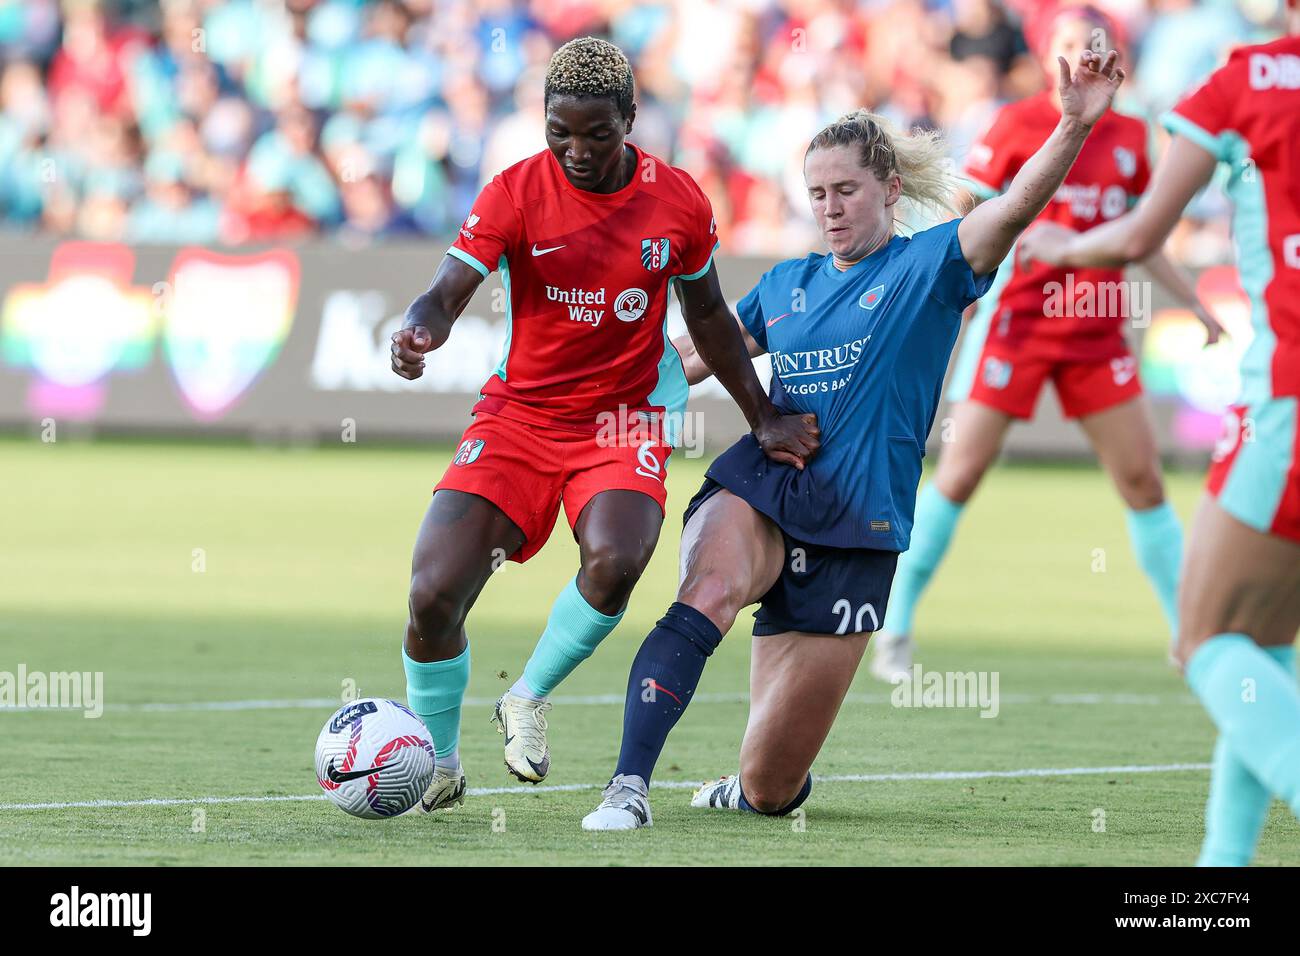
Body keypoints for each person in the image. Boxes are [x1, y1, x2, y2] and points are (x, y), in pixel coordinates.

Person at [581, 45, 1128, 830]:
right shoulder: (788, 284)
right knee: (708, 591)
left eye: (846, 191)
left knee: (770, 788)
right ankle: (627, 789)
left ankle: (750, 786)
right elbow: (694, 356)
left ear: (890, 190)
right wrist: (589, 393)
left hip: (858, 526)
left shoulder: (928, 267)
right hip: (767, 484)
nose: (830, 207)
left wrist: (1073, 127)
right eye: (817, 194)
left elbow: (1009, 211)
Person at [389, 37, 817, 810]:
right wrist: (419, 329)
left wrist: (761, 418)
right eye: (559, 132)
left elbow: (713, 318)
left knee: (617, 559)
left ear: (629, 119)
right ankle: (441, 766)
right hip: (521, 414)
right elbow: (445, 290)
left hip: (626, 415)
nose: (576, 152)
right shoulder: (515, 191)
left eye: (596, 134)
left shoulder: (678, 202)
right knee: (430, 593)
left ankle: (526, 696)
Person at [1019, 5, 1300, 866]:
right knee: (1261, 654)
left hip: (1288, 408)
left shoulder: (1246, 79)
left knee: (1205, 641)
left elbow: (1141, 234)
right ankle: (1221, 879)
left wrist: (1062, 244)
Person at [871, 4, 1222, 682]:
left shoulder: (1130, 134)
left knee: (1143, 482)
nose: (1086, 51)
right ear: (1044, 53)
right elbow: (967, 211)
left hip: (1096, 333)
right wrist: (953, 293)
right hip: (1018, 323)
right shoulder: (1016, 123)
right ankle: (895, 623)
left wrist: (1195, 303)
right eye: (1069, 42)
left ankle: (1191, 637)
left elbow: (1141, 233)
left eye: (1098, 41)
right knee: (961, 473)